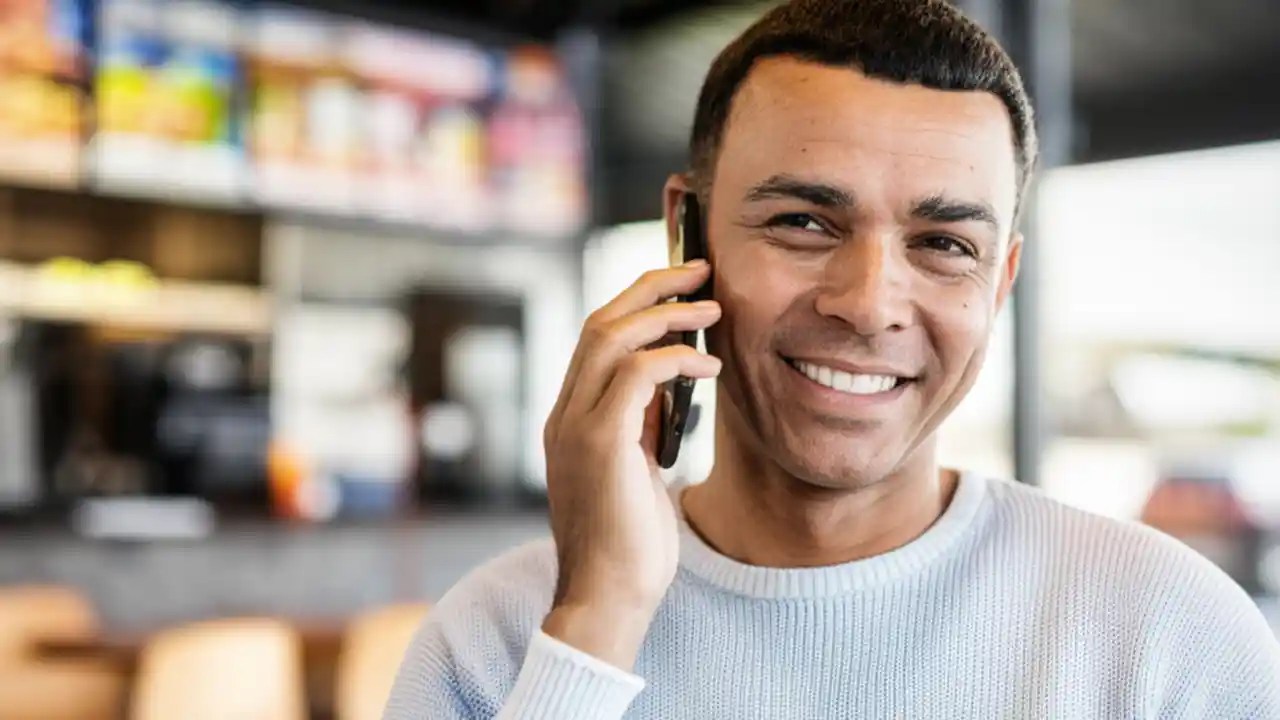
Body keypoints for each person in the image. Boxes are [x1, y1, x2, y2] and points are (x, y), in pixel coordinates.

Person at [384, 1, 1280, 717]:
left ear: (1000, 281)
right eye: (804, 223)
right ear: (683, 234)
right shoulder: (496, 642)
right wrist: (596, 626)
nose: (868, 303)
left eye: (944, 244)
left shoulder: (1171, 638)